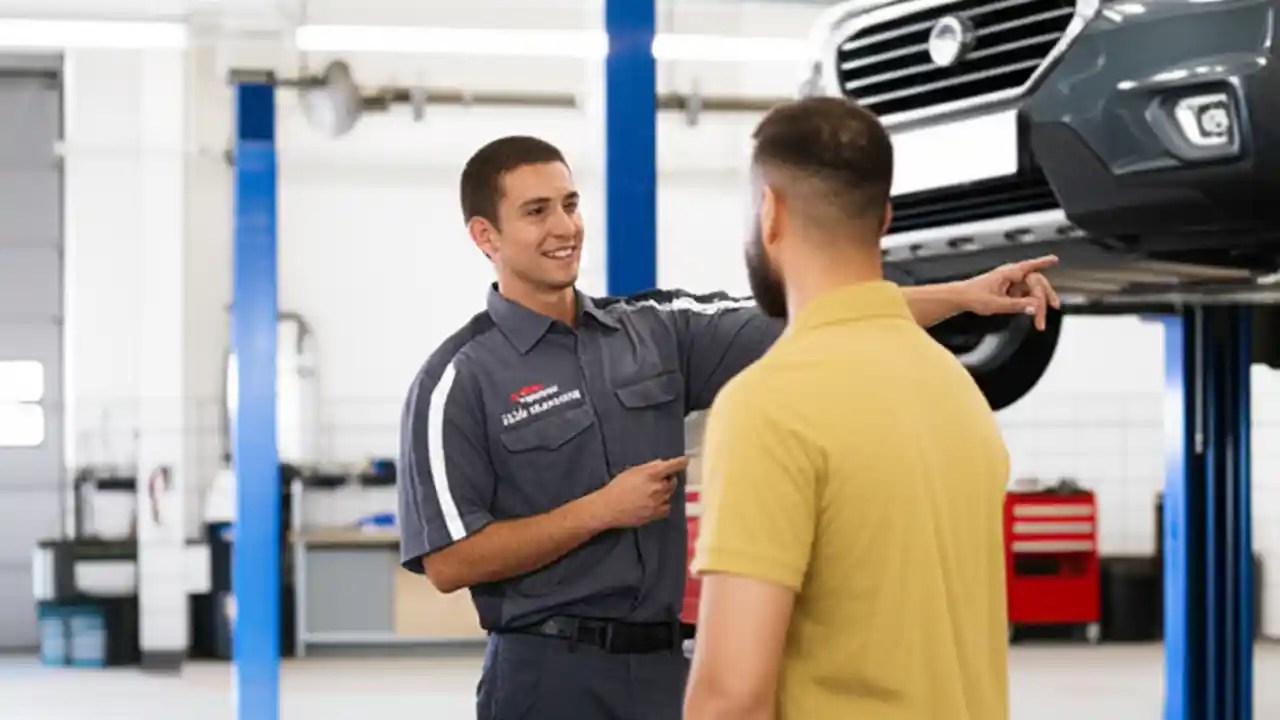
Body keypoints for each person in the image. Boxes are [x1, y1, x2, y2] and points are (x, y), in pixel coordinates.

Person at [397, 133, 1058, 720]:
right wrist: (600, 510)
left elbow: (820, 310)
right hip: (546, 678)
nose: (564, 226)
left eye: (569, 204)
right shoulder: (458, 378)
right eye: (536, 211)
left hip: (662, 667)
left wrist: (967, 294)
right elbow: (451, 561)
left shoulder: (655, 330)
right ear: (485, 236)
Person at [682, 97, 1024, 720]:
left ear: (770, 211)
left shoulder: (768, 406)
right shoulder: (955, 390)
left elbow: (732, 697)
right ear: (884, 218)